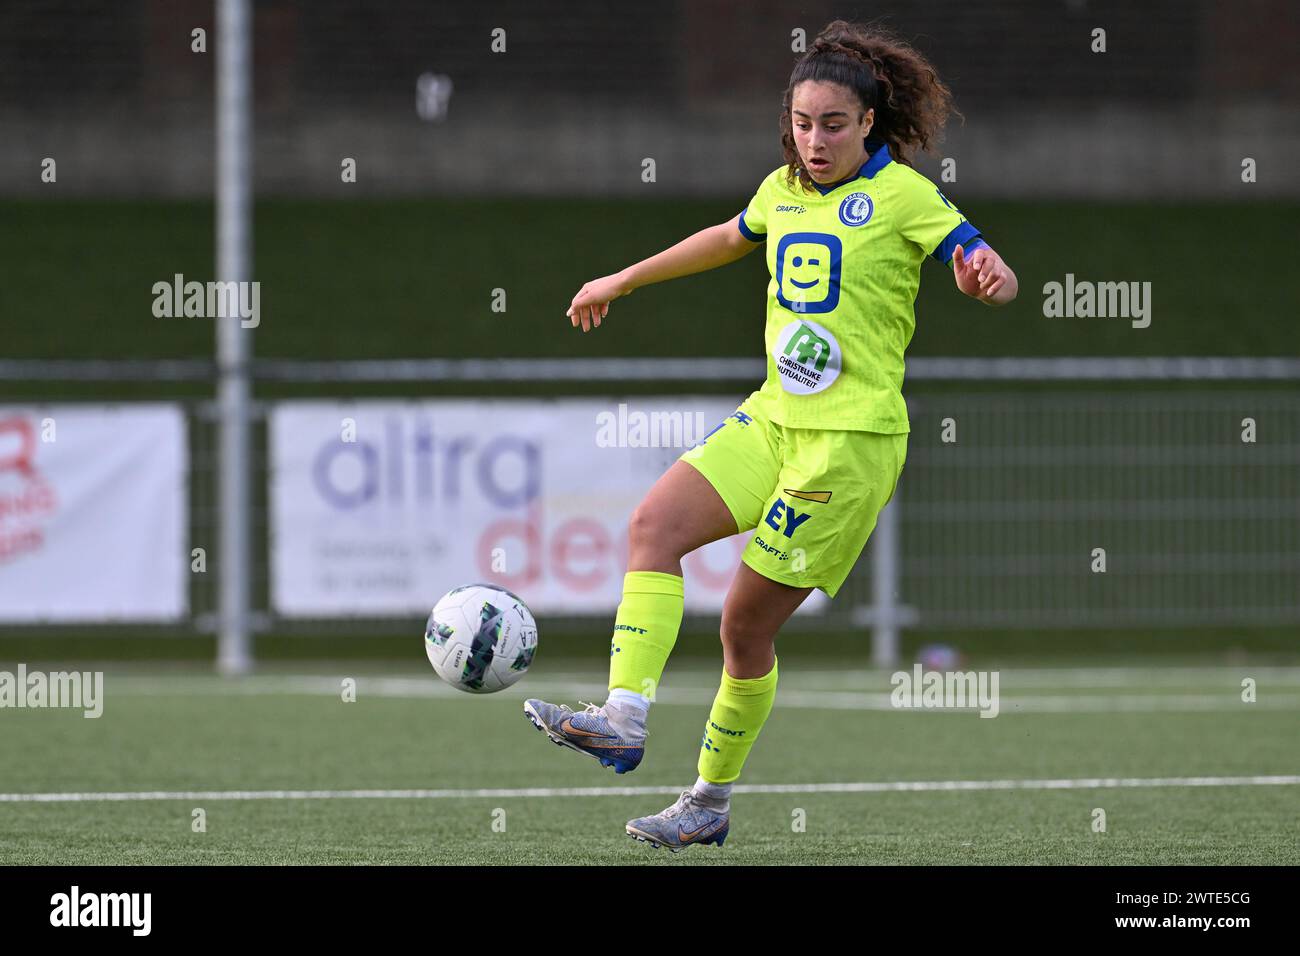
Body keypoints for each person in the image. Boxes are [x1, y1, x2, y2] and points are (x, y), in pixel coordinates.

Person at [524, 19, 1018, 851]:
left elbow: (985, 269)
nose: (814, 140)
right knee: (654, 526)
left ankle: (708, 800)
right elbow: (727, 238)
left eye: (832, 124)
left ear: (869, 122)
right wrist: (624, 277)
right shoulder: (781, 188)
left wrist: (990, 282)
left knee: (743, 632)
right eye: (801, 122)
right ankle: (621, 717)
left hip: (849, 445)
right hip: (772, 419)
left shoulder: (905, 197)